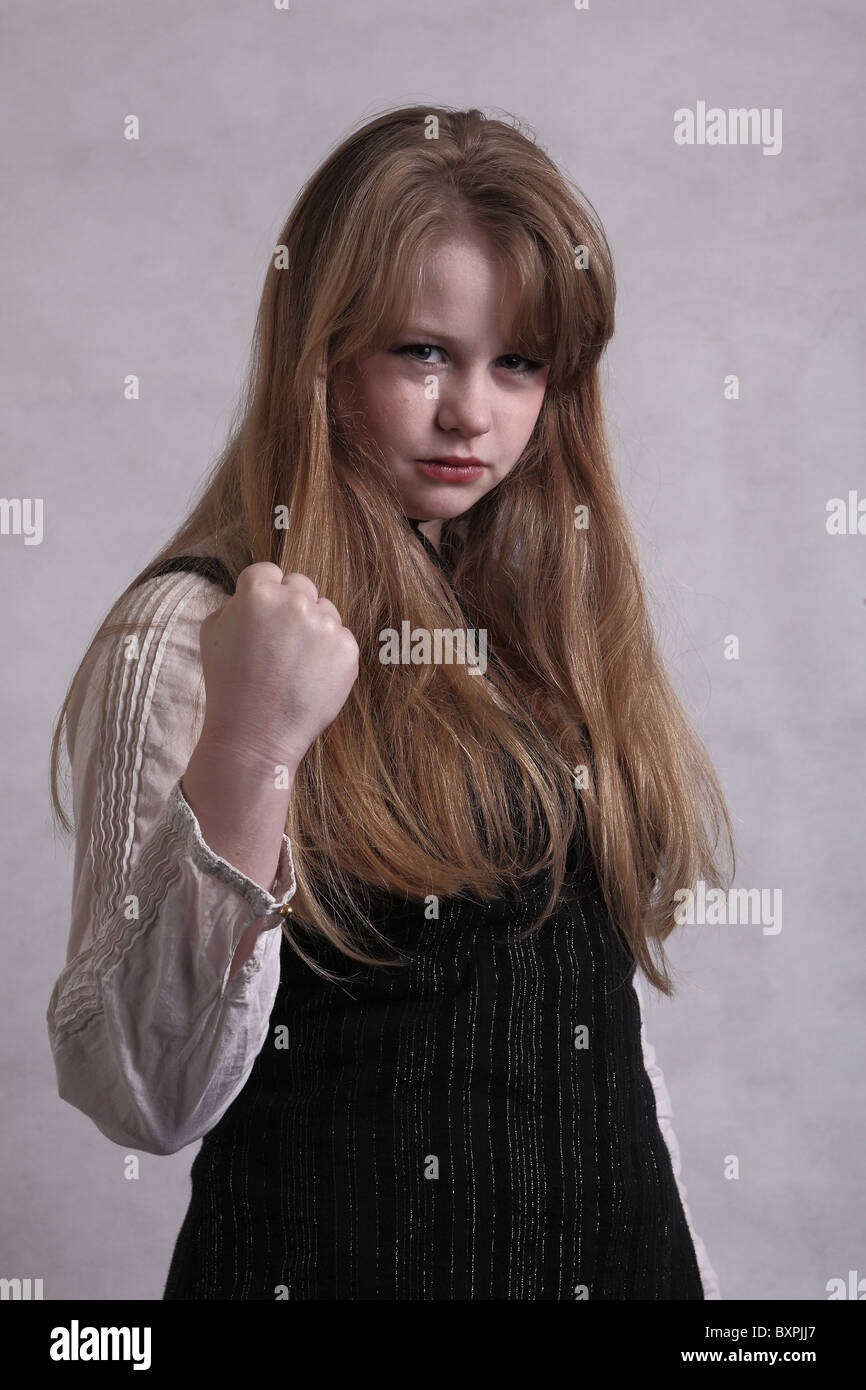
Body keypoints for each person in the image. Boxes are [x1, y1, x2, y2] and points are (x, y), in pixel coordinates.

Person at [47, 104, 734, 1301]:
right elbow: (136, 1093)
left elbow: (602, 1056)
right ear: (320, 351)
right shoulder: (196, 632)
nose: (473, 411)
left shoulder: (539, 627)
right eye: (423, 352)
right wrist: (254, 745)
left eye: (516, 363)